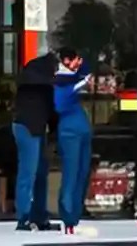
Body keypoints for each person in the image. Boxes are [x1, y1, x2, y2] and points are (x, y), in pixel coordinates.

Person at [12, 51, 58, 231]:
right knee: (31, 173)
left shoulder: (27, 82)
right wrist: (56, 132)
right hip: (31, 129)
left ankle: (34, 217)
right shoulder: (46, 86)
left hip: (28, 127)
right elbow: (52, 112)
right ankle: (26, 218)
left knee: (36, 173)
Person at [53, 47, 93, 235]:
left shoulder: (72, 77)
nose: (79, 63)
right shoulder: (60, 80)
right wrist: (80, 83)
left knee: (82, 173)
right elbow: (60, 103)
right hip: (70, 132)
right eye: (76, 60)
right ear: (67, 61)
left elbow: (87, 67)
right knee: (71, 173)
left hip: (81, 130)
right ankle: (68, 217)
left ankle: (74, 216)